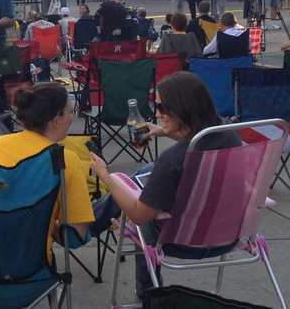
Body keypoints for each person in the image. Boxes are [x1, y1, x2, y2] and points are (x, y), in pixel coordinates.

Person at [89, 72, 242, 293]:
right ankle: (90, 219)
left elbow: (138, 215)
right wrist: (164, 131)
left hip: (181, 241)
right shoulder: (228, 135)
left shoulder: (171, 161)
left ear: (182, 109)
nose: (156, 114)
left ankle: (147, 293)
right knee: (146, 172)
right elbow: (197, 144)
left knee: (130, 193)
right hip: (228, 234)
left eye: (161, 108)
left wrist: (105, 174)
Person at [0, 83, 94, 256]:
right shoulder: (64, 160)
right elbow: (75, 237)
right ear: (57, 119)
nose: (73, 116)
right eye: (70, 111)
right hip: (30, 269)